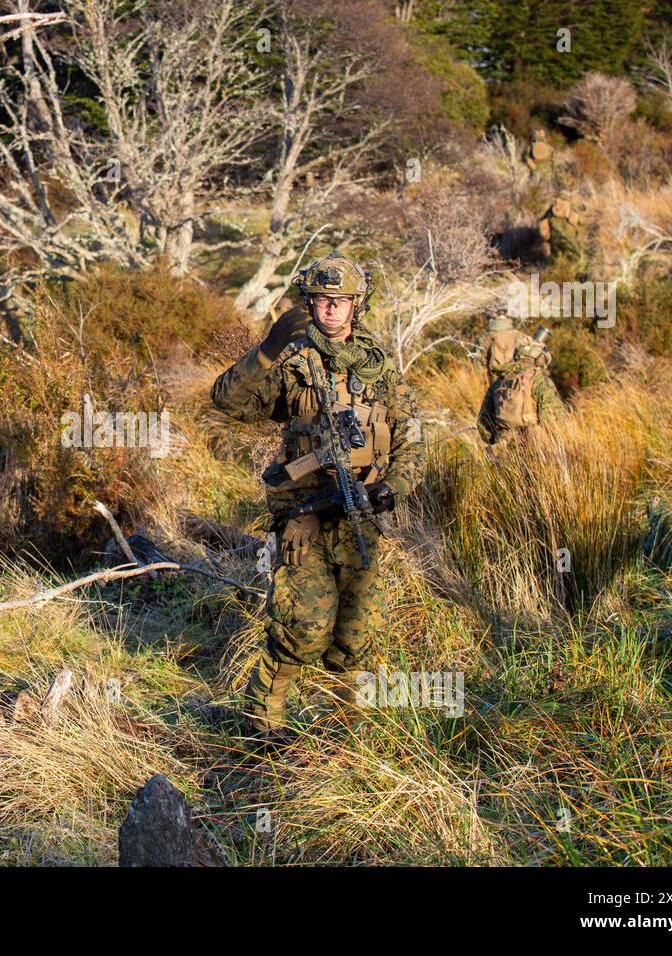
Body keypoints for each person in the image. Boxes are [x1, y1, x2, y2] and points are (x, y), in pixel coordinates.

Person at [211, 253, 425, 743]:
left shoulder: (379, 369)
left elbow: (413, 437)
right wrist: (266, 350)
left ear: (357, 306)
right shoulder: (293, 360)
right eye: (323, 301)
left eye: (341, 302)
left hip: (361, 513)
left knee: (353, 636)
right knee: (301, 628)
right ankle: (261, 731)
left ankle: (341, 738)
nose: (331, 310)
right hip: (303, 515)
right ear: (310, 303)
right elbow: (227, 401)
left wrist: (392, 488)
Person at [477, 314, 566, 447]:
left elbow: (483, 425)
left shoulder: (498, 383)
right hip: (535, 448)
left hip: (502, 450)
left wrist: (499, 439)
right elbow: (554, 422)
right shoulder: (540, 381)